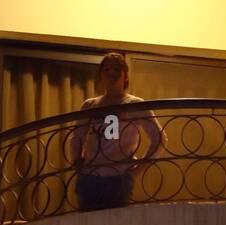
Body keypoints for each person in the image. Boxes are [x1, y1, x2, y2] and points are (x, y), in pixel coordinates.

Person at [67, 51, 163, 212]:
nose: (111, 73)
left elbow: (159, 138)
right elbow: (77, 136)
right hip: (89, 176)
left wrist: (137, 170)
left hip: (118, 178)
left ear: (125, 75)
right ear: (100, 75)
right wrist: (77, 162)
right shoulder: (90, 105)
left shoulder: (135, 104)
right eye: (106, 69)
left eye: (117, 69)